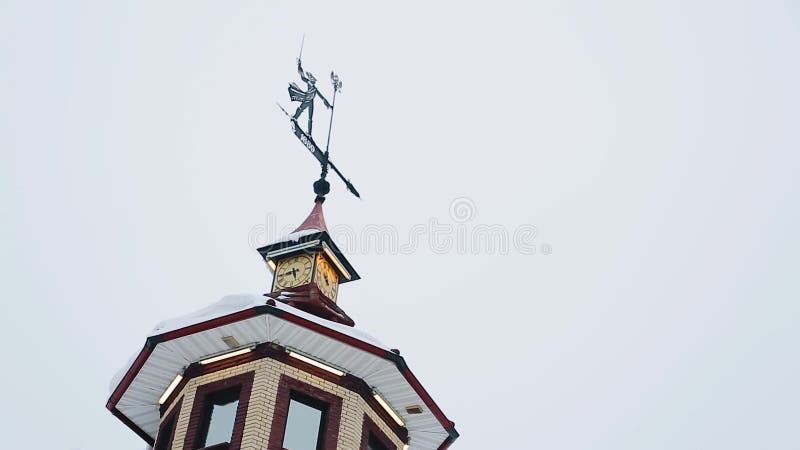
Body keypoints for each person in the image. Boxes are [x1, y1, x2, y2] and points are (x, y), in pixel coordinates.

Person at [288, 59, 331, 135]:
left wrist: (328, 105)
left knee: (310, 118)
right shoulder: (309, 83)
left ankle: (309, 133)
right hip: (306, 100)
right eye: (312, 80)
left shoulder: (315, 89)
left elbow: (322, 98)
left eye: (313, 80)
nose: (312, 81)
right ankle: (295, 117)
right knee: (300, 109)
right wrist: (299, 65)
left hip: (310, 102)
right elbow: (302, 75)